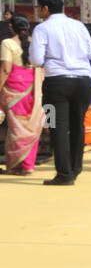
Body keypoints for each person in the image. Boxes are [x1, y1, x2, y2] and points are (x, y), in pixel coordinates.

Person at [29, 0, 91, 186]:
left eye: (39, 7)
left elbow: (36, 60)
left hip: (56, 82)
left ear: (45, 9)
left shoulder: (42, 29)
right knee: (77, 125)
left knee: (56, 126)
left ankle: (64, 173)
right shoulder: (79, 25)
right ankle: (75, 169)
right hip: (83, 80)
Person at [0, 15, 44, 174]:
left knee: (16, 128)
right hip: (33, 89)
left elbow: (6, 69)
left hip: (14, 90)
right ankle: (27, 164)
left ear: (11, 27)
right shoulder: (33, 43)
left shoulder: (7, 43)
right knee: (30, 126)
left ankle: (17, 165)